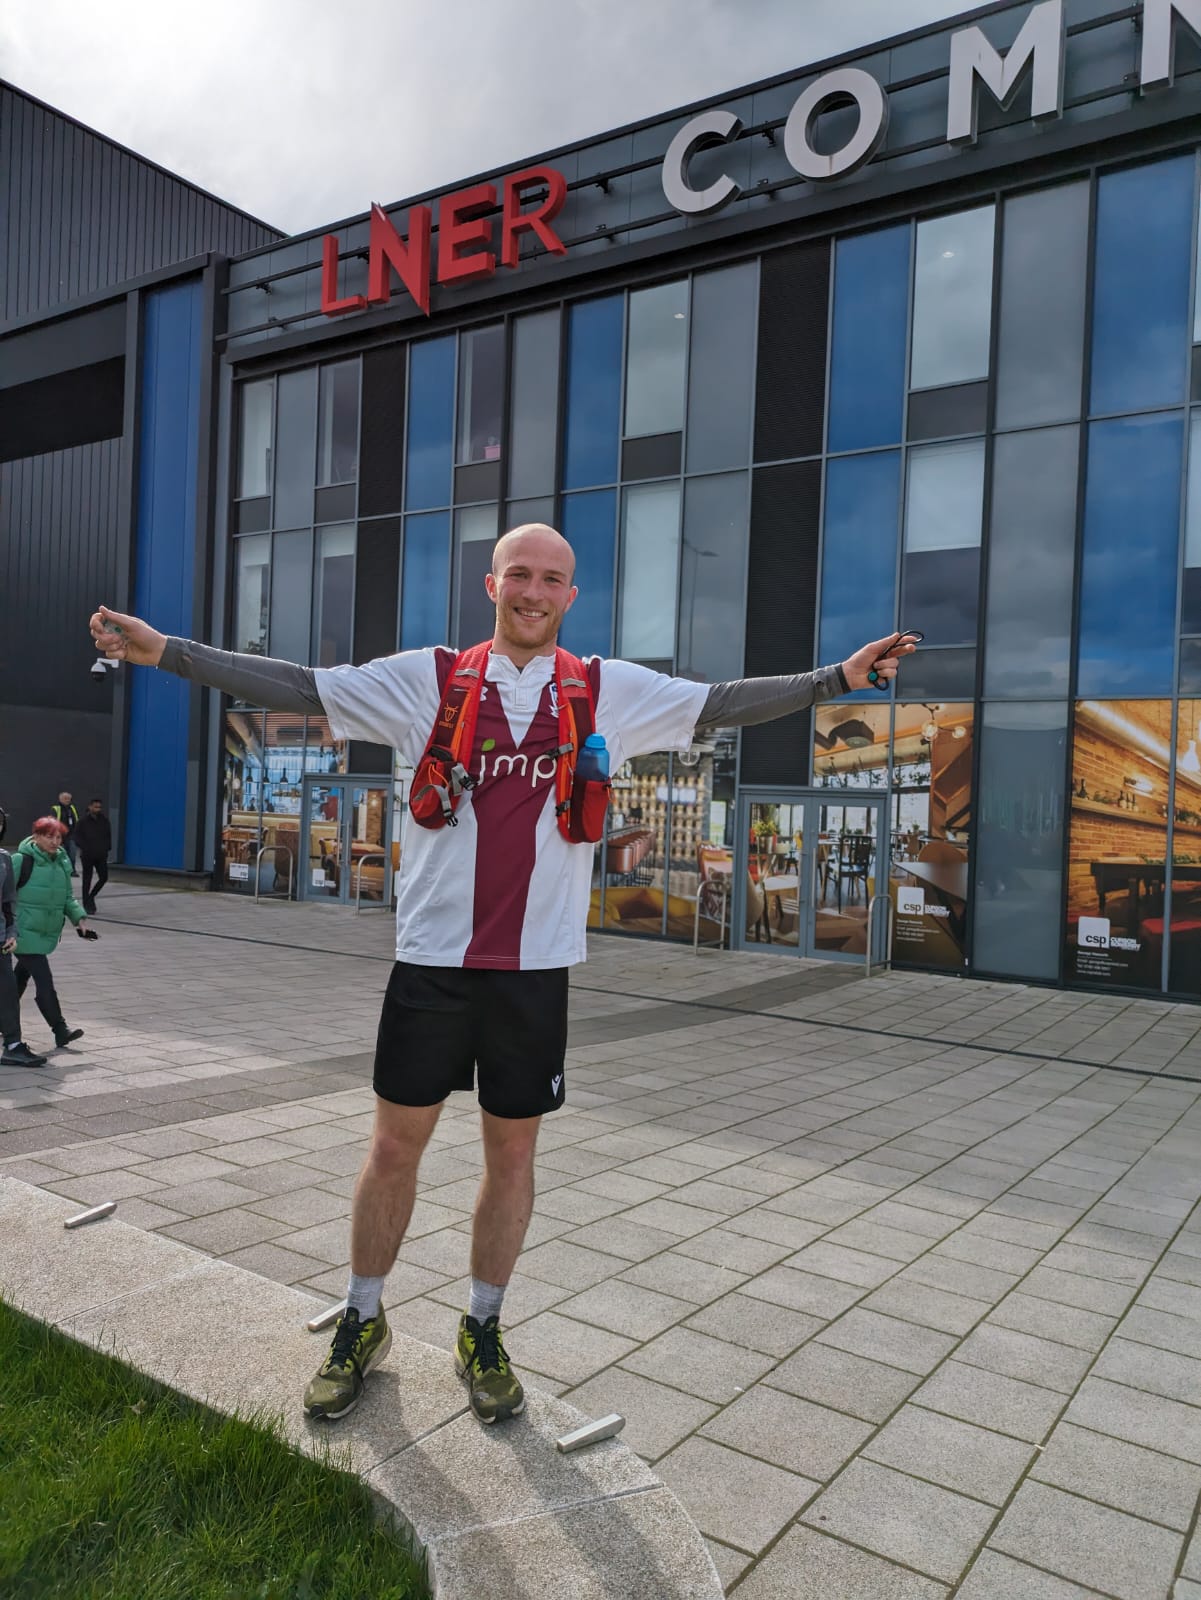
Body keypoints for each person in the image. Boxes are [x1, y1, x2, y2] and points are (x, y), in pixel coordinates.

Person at [91, 523, 916, 1426]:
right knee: (392, 1149)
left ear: (571, 596)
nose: (532, 591)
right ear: (491, 585)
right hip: (432, 964)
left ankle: (482, 1328)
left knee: (512, 1155)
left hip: (534, 970)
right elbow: (297, 685)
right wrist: (166, 652)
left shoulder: (605, 688)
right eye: (518, 574)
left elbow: (720, 703)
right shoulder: (429, 678)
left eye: (551, 579)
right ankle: (362, 1317)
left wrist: (836, 679)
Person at [12, 818, 90, 1050]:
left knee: (19, 977)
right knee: (44, 980)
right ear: (36, 836)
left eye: (59, 838)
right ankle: (60, 1030)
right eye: (49, 836)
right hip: (22, 932)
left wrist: (79, 918)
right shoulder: (21, 860)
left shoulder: (62, 861)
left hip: (45, 932)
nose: (55, 842)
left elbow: (67, 896)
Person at [0, 807, 46, 1068]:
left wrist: (11, 932)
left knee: (7, 992)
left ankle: (13, 1046)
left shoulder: (4, 859)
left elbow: (8, 901)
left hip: (0, 939)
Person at [76, 798, 112, 915]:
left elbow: (108, 835)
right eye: (95, 807)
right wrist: (85, 847)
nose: (97, 809)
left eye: (99, 807)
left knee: (104, 877)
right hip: (87, 855)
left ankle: (91, 897)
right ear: (90, 807)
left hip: (101, 854)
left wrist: (106, 848)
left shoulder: (104, 820)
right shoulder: (83, 822)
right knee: (87, 879)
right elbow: (77, 837)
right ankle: (87, 904)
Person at [51, 792, 80, 874]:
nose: (68, 800)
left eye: (69, 799)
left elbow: (76, 820)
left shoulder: (72, 808)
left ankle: (72, 870)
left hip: (71, 835)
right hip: (60, 835)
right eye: (65, 798)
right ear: (60, 799)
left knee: (72, 853)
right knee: (60, 853)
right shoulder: (56, 809)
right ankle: (61, 870)